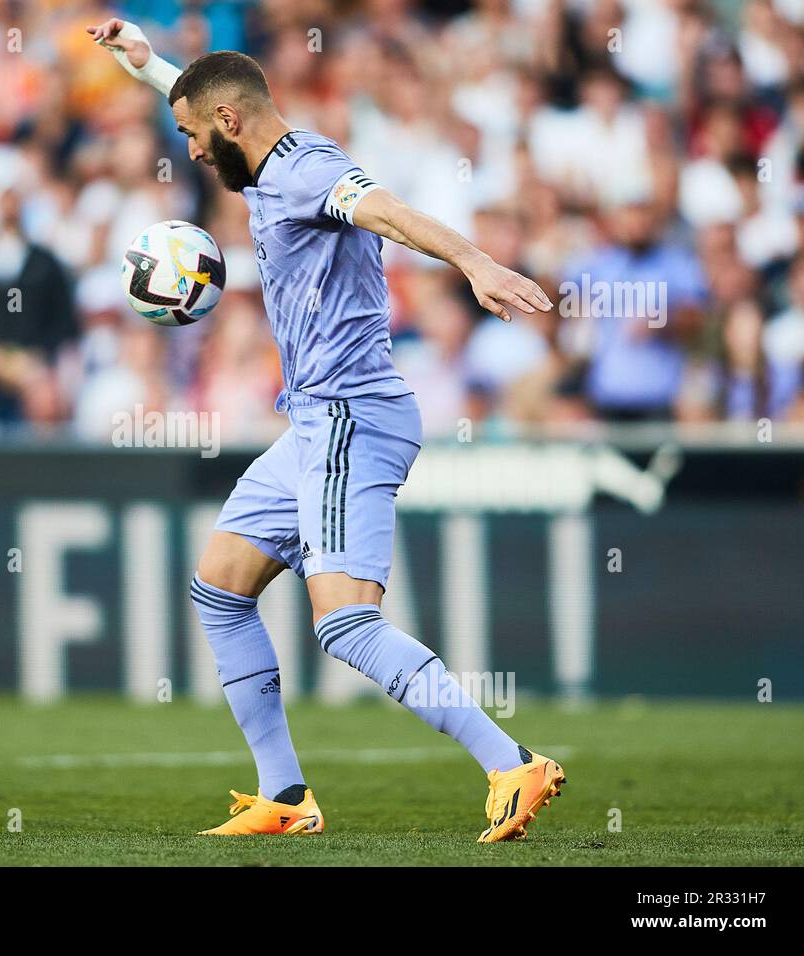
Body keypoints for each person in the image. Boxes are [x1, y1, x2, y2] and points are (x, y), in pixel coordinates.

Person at [88, 17, 564, 842]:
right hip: (311, 422)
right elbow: (199, 94)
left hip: (354, 416)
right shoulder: (256, 149)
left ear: (229, 123)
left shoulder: (312, 171)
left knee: (344, 621)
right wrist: (148, 62)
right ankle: (286, 796)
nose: (192, 150)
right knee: (220, 588)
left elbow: (389, 212)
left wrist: (476, 263)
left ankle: (511, 762)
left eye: (194, 134)